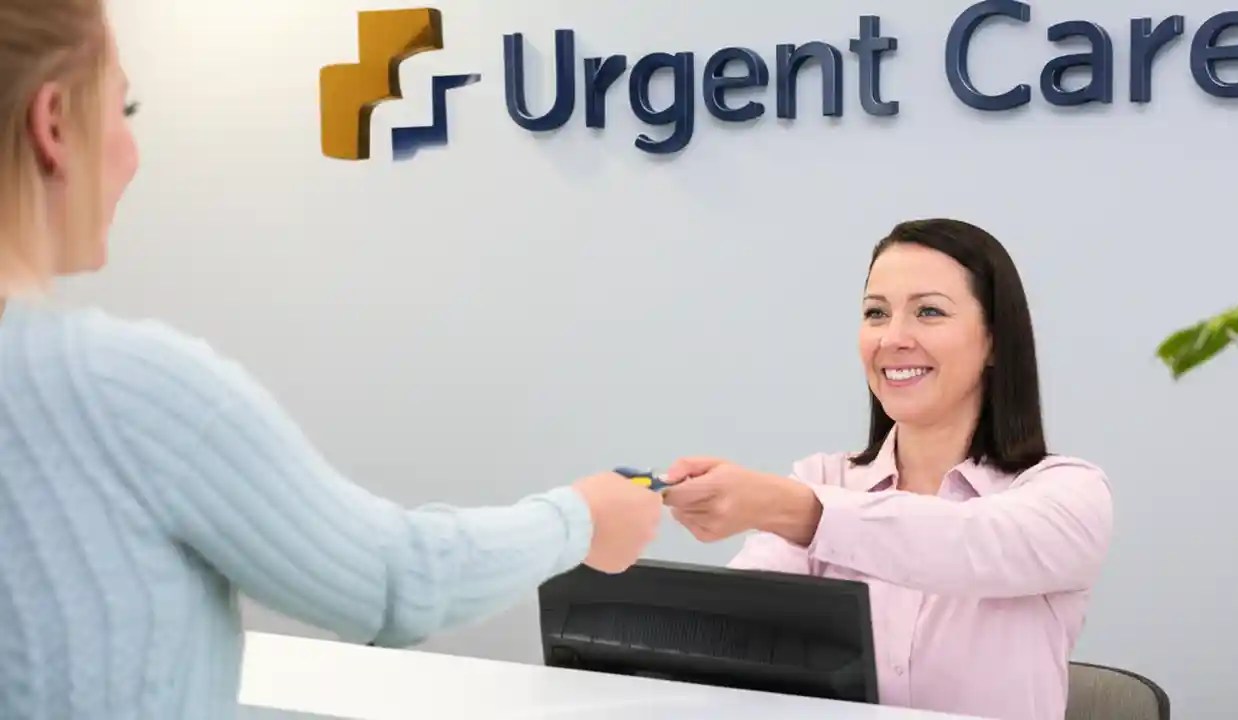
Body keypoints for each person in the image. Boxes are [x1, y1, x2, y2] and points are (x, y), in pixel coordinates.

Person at [0, 2, 664, 718]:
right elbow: (393, 580)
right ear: (54, 123)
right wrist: (580, 519)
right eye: (123, 108)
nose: (134, 152)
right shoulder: (120, 391)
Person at [661, 218, 1114, 720]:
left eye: (929, 312)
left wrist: (792, 510)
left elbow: (969, 544)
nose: (894, 338)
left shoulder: (1069, 494)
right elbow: (734, 640)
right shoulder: (822, 478)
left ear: (994, 341)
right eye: (876, 313)